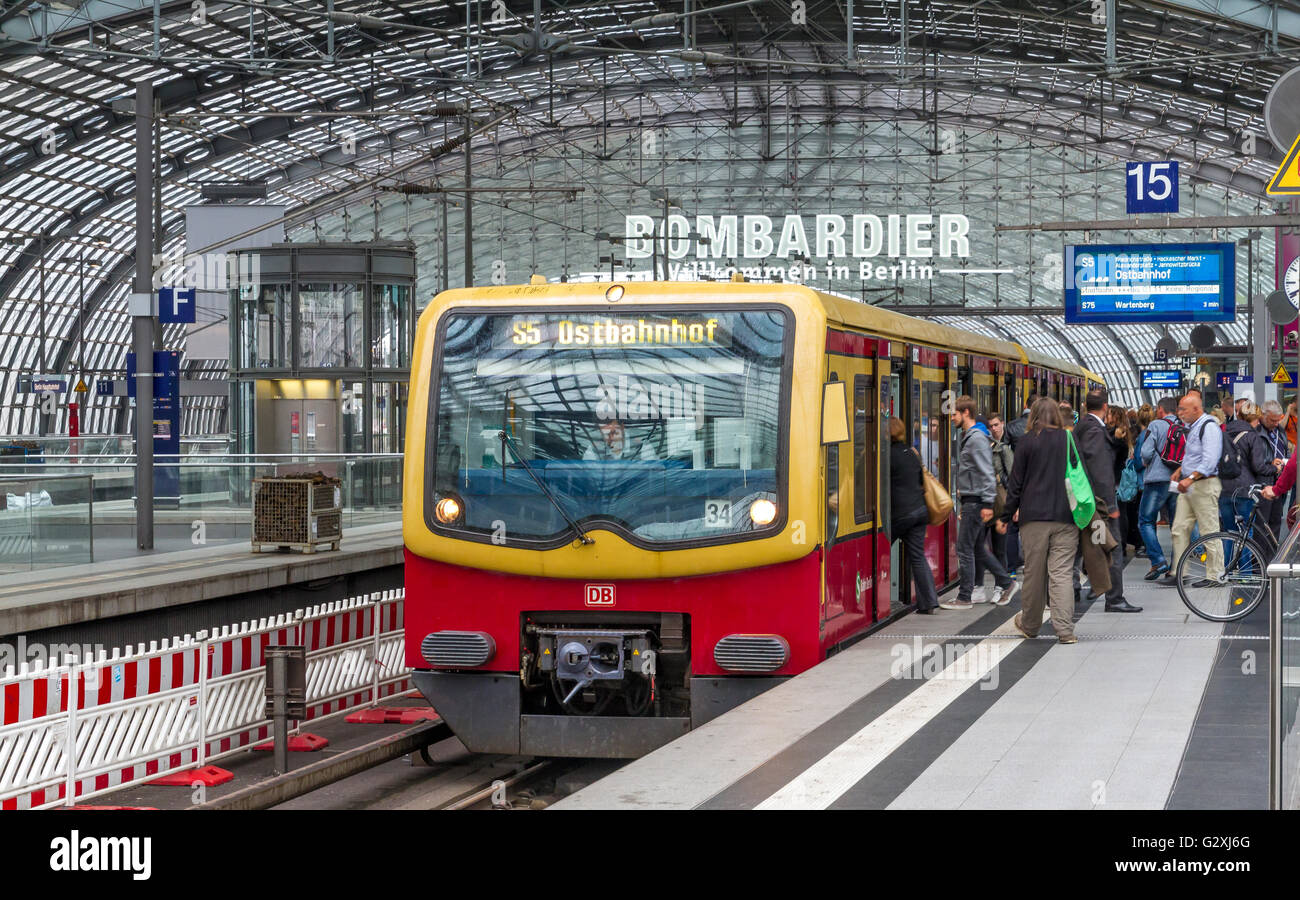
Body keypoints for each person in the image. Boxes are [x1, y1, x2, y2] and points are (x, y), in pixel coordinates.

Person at [996, 398, 1078, 643]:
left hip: (1034, 518)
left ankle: (1030, 625)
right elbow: (1080, 475)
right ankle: (1065, 631)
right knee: (1061, 573)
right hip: (1066, 516)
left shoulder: (1027, 441)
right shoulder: (1068, 440)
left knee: (1034, 573)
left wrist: (1006, 514)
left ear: (1033, 416)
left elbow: (1016, 483)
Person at [941, 395, 1018, 610]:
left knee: (965, 548)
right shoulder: (973, 437)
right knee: (976, 547)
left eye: (954, 414)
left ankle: (965, 597)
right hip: (973, 499)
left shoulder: (975, 439)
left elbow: (986, 472)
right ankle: (1005, 582)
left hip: (975, 502)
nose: (952, 418)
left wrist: (986, 503)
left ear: (966, 413)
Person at [1073, 388, 1141, 612]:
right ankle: (1114, 598)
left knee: (1091, 545)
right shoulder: (1093, 430)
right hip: (1099, 505)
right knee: (1111, 548)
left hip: (1087, 502)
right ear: (1105, 407)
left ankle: (1093, 584)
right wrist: (1111, 506)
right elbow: (1100, 469)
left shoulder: (1083, 426)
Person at [1161, 392, 1224, 587]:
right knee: (1179, 528)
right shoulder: (1194, 427)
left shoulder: (1209, 427)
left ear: (1197, 409)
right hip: (1190, 486)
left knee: (1209, 531)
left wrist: (1189, 478)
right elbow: (1195, 456)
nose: (1179, 413)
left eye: (1183, 409)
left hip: (1204, 485)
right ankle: (1179, 571)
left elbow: (1210, 460)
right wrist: (1181, 470)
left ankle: (1216, 575)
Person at [889, 417, 940, 614]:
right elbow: (920, 479)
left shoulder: (886, 456)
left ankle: (872, 598)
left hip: (900, 515)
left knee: (879, 549)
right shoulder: (911, 452)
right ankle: (928, 602)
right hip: (919, 511)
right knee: (917, 556)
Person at [1220, 401, 1273, 566]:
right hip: (1244, 490)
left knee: (1228, 532)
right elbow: (1259, 466)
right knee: (1245, 533)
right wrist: (1275, 468)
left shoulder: (1224, 433)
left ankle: (1227, 569)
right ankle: (1245, 572)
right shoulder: (1252, 436)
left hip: (1224, 488)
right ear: (1255, 418)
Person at [1138, 397, 1180, 580]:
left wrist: (1146, 462)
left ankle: (1157, 560)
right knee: (1176, 525)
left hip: (1157, 479)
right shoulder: (1183, 425)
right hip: (1178, 480)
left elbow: (1146, 452)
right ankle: (1174, 567)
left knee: (1145, 521)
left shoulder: (1155, 425)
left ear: (1160, 410)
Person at [988, 413, 1014, 570]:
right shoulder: (989, 448)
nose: (994, 429)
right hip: (989, 501)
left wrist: (1014, 504)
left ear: (1003, 424)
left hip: (1001, 501)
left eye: (996, 425)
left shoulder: (1003, 450)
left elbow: (1012, 476)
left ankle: (1004, 581)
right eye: (991, 426)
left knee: (1000, 547)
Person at [584, 418, 657, 460]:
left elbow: (652, 475)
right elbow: (589, 475)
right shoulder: (594, 449)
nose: (611, 438)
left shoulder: (642, 446)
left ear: (622, 427)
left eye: (614, 433)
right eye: (606, 434)